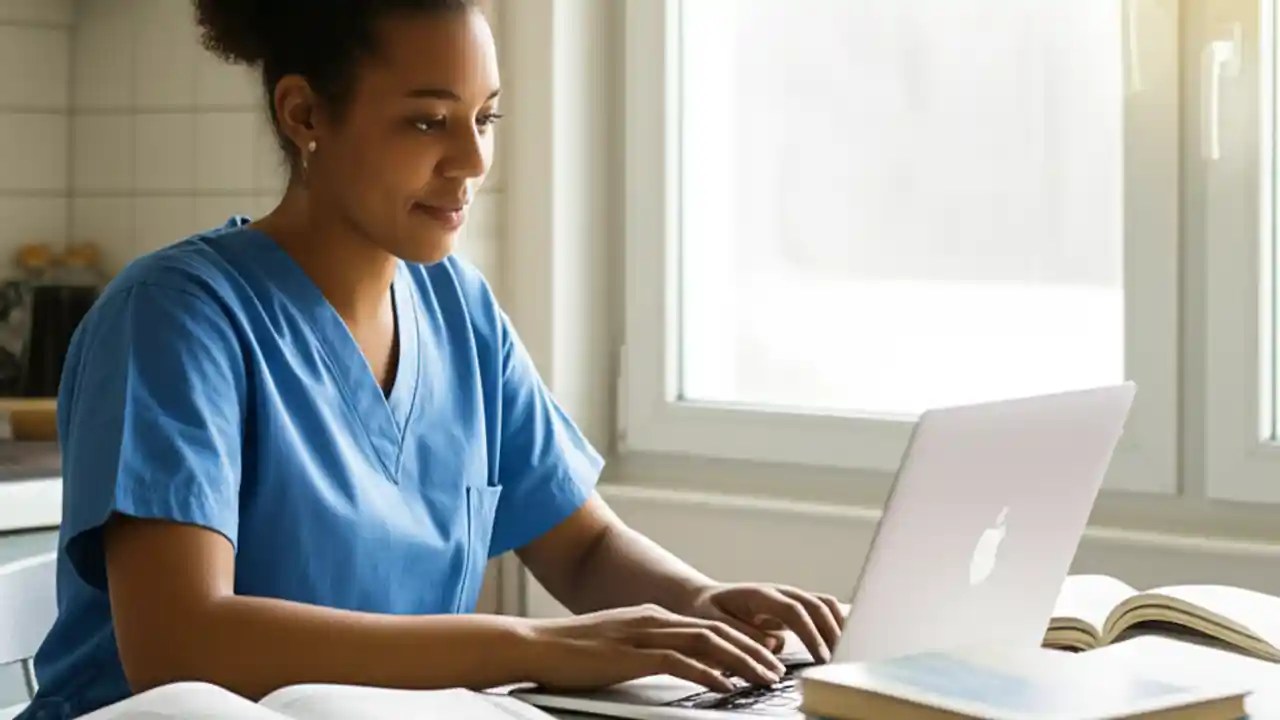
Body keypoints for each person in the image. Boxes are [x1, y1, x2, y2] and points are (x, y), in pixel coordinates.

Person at [21, 2, 844, 717]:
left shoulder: (460, 311)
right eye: (427, 120)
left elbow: (584, 549)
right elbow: (179, 642)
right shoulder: (176, 316)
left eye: (484, 119)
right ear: (304, 113)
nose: (473, 162)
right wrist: (533, 646)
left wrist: (702, 602)